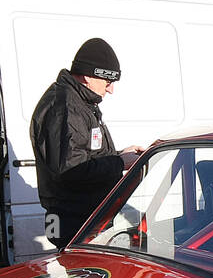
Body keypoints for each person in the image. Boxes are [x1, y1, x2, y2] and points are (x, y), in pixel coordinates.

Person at [30, 38, 142, 248]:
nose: (111, 90)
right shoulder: (66, 107)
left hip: (81, 218)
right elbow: (73, 170)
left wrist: (118, 155)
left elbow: (83, 154)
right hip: (75, 222)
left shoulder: (77, 102)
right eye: (108, 82)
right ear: (89, 75)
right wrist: (119, 163)